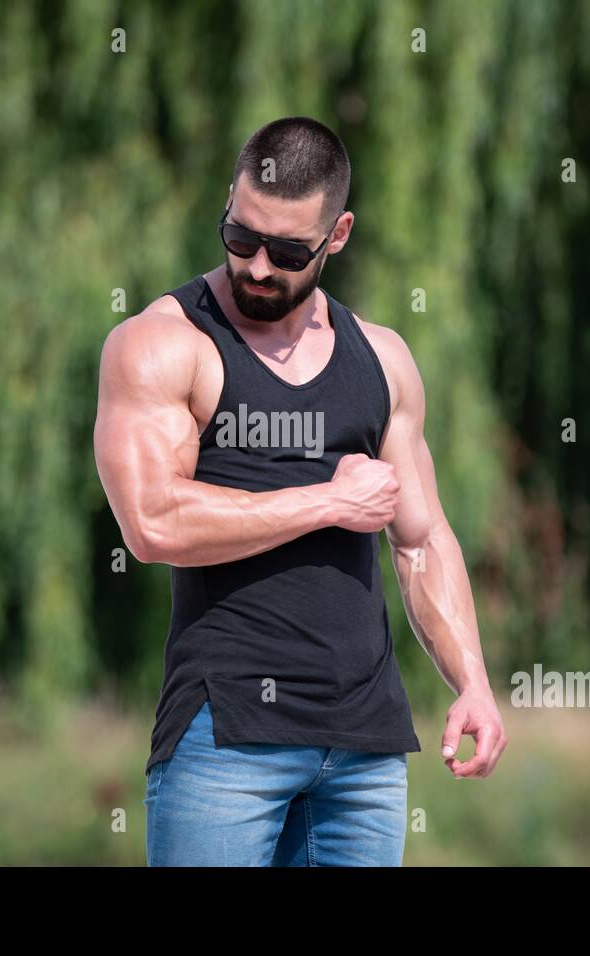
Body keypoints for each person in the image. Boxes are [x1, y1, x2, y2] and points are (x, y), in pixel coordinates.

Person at [93, 116, 507, 866]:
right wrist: (329, 503)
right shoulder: (163, 344)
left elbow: (420, 540)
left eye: (286, 253)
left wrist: (473, 681)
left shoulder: (383, 358)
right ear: (228, 203)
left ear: (336, 235)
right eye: (240, 236)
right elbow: (152, 523)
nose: (257, 266)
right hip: (227, 736)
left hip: (364, 748)